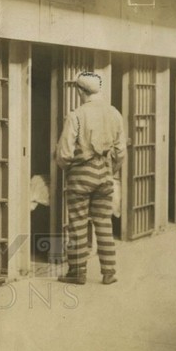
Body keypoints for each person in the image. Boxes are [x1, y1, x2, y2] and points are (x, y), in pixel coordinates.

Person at [55, 71, 126, 285]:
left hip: (80, 176)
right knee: (104, 222)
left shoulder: (76, 115)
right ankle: (109, 272)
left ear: (80, 90)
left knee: (77, 224)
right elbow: (121, 151)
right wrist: (110, 170)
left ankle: (77, 272)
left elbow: (64, 153)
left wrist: (68, 167)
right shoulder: (114, 113)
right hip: (105, 174)